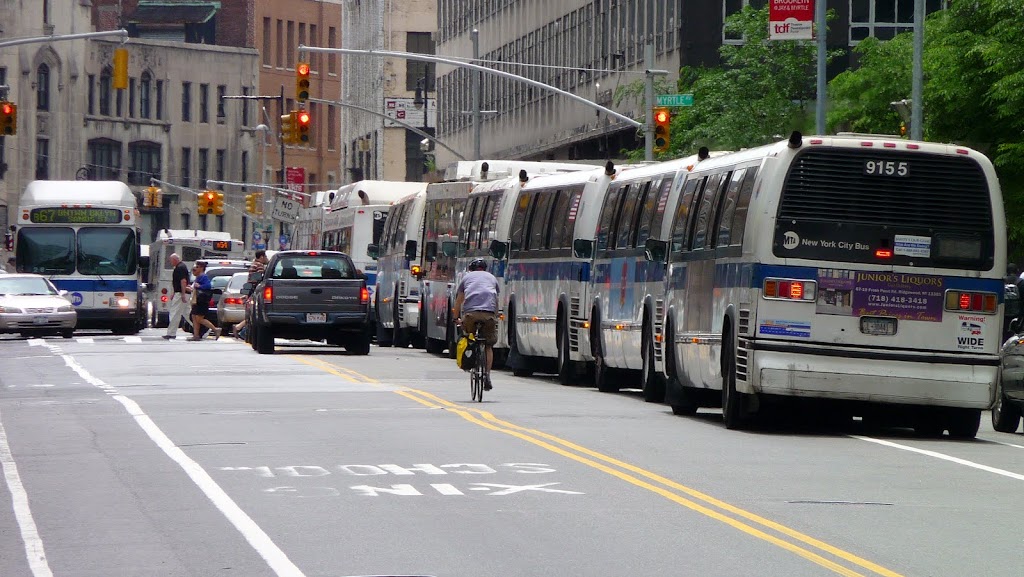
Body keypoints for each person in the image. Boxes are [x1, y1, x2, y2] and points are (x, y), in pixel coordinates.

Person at [452, 258, 500, 390]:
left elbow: (458, 302)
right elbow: (496, 301)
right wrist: (494, 317)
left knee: (469, 337)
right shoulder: (492, 278)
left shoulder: (466, 278)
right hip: (489, 315)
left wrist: (456, 318)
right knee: (488, 345)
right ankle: (487, 375)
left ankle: (471, 362)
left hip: (470, 315)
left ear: (471, 269)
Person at [188, 261, 221, 341]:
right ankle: (196, 335)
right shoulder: (198, 277)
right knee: (194, 317)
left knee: (199, 319)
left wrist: (200, 286)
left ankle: (215, 329)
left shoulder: (203, 277)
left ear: (202, 268)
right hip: (196, 301)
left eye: (197, 267)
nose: (195, 268)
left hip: (201, 301)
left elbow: (208, 285)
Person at [163, 253, 192, 339]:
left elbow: (183, 281)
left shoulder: (180, 268)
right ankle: (203, 329)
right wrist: (173, 293)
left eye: (171, 260)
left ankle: (171, 333)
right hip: (181, 293)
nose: (170, 262)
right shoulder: (181, 267)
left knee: (174, 313)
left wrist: (182, 294)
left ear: (175, 260)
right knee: (188, 313)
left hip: (180, 294)